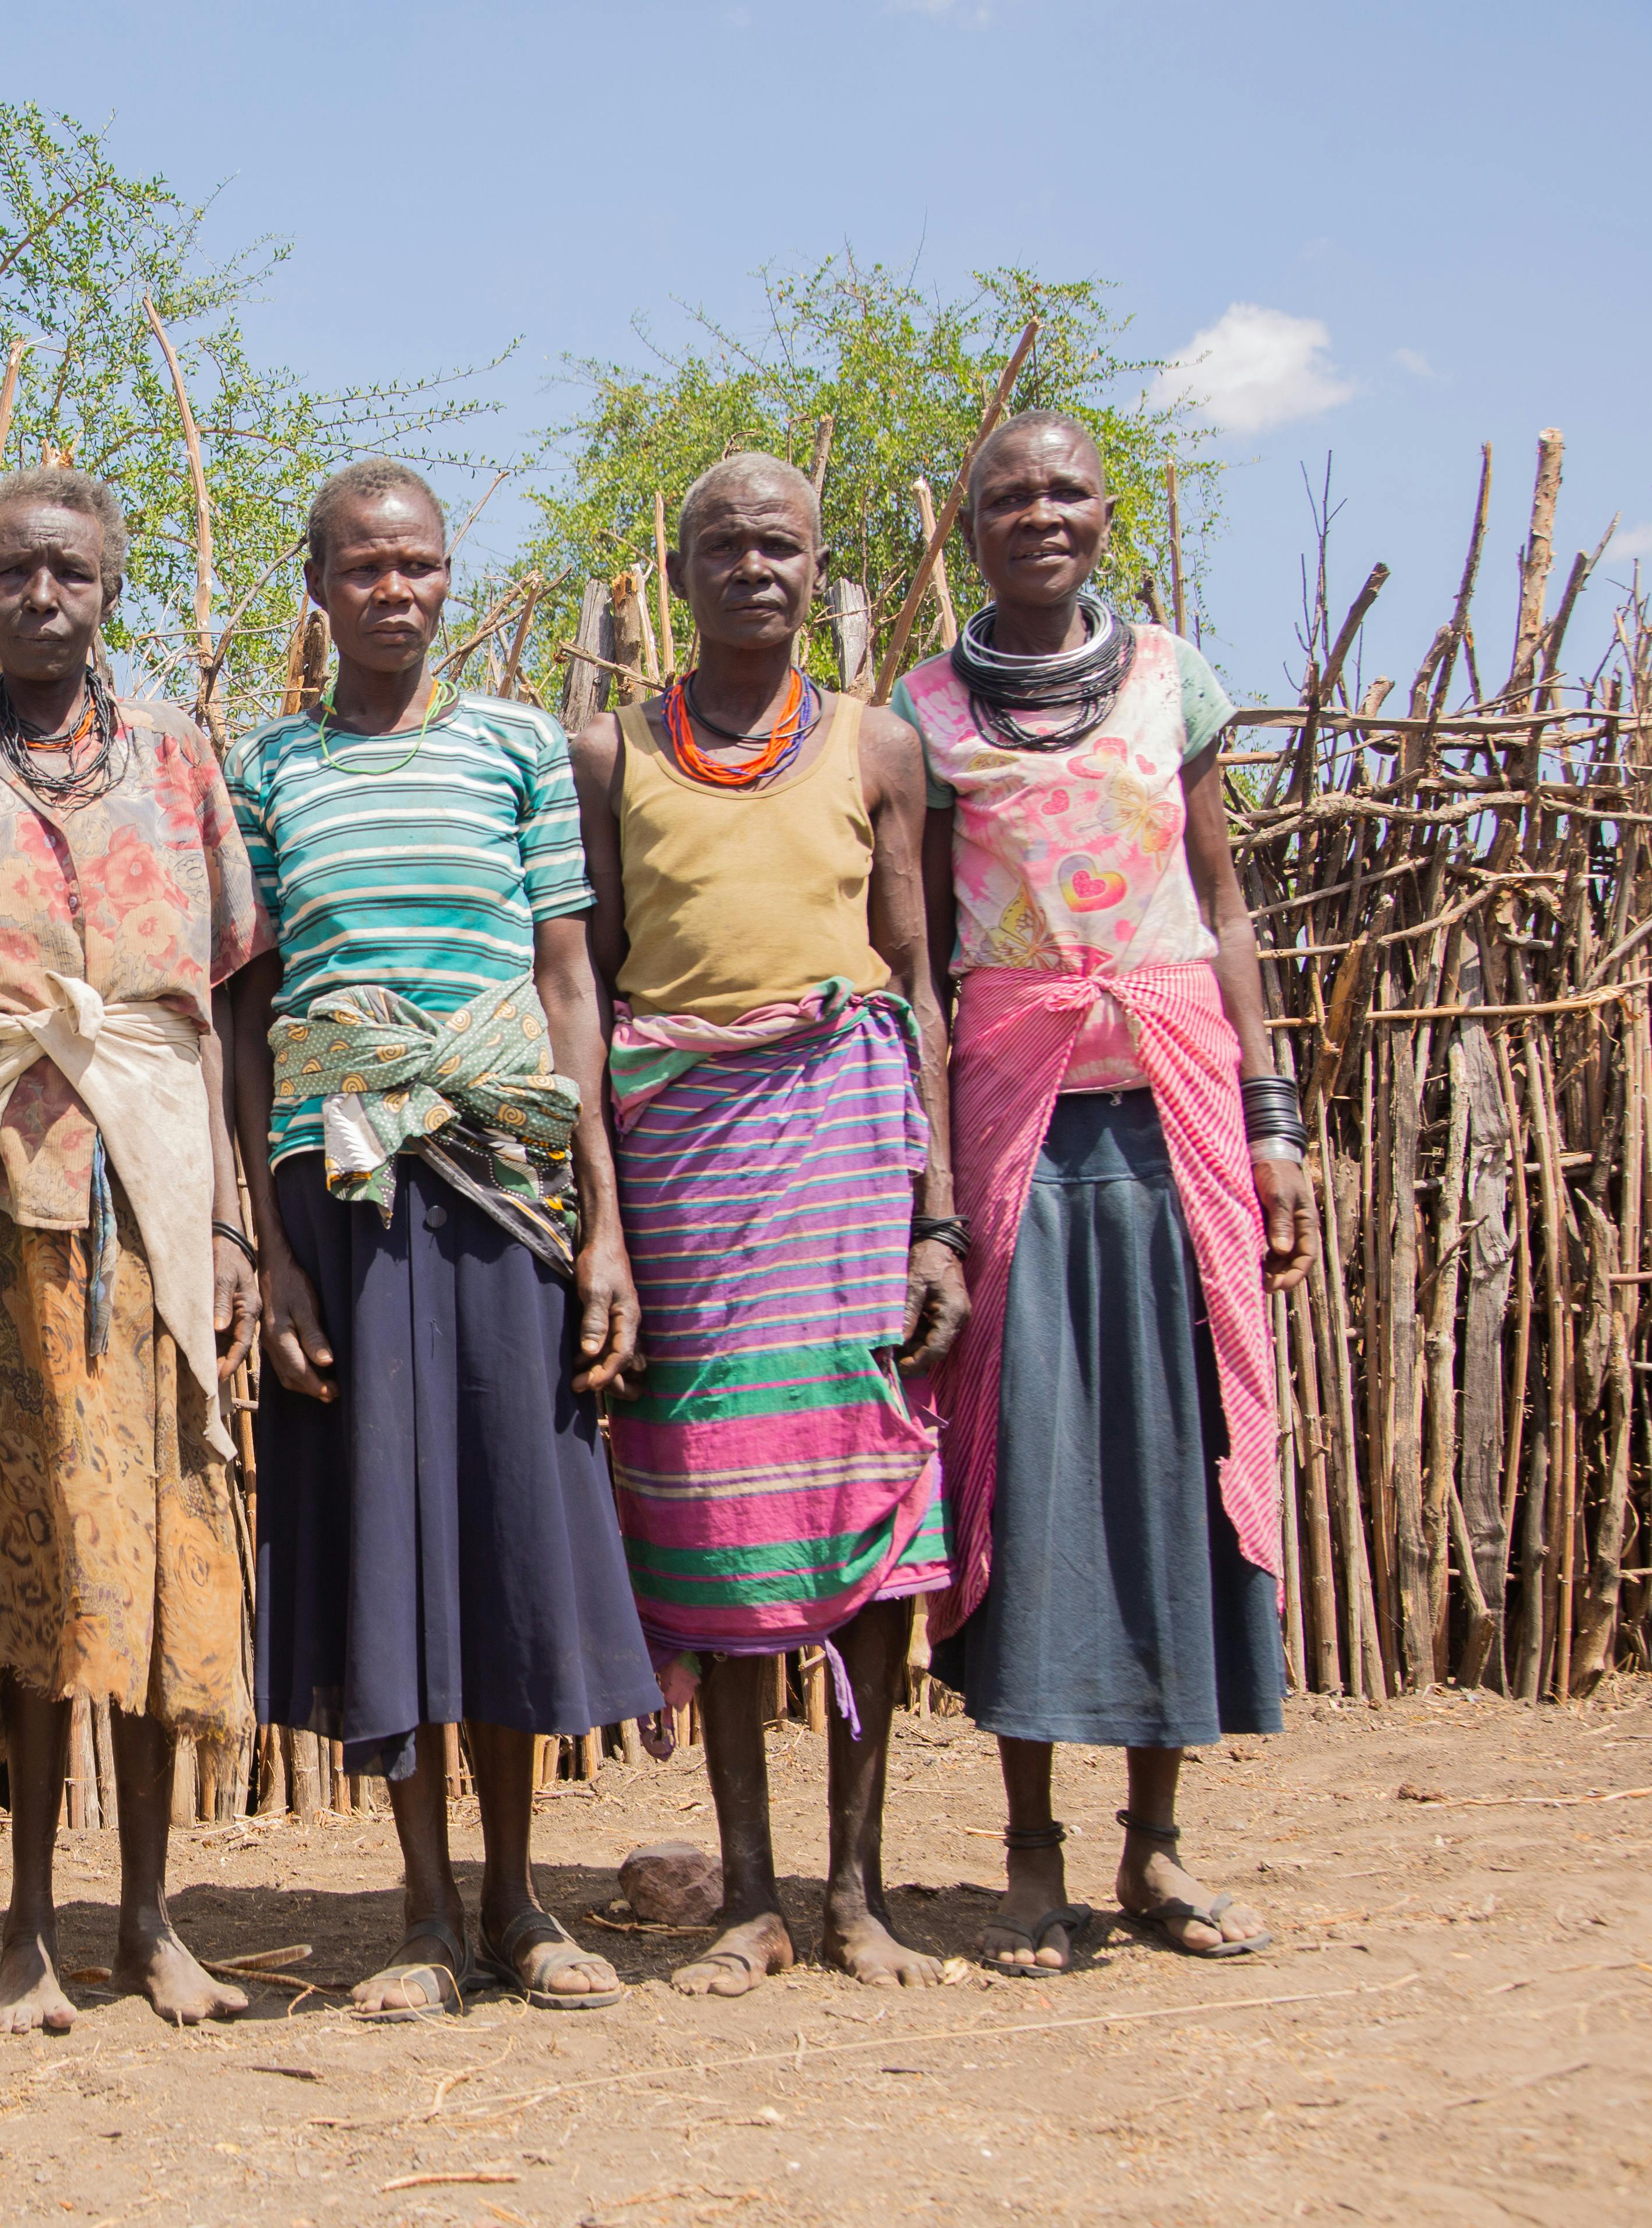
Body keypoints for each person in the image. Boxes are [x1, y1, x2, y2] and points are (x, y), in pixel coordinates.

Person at [225, 458, 662, 2020]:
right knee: (384, 1533)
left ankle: (520, 1903)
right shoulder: (267, 771)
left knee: (507, 1529)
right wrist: (269, 1253)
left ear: (445, 576)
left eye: (417, 564)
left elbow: (566, 986)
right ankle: (417, 1915)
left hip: (505, 1177)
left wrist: (598, 1223)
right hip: (340, 1191)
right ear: (319, 585)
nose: (394, 591)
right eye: (363, 568)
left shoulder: (518, 751)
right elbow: (251, 1011)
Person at [899, 409, 1315, 1974]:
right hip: (1015, 1123)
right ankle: (1028, 1852)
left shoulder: (1173, 683)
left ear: (1104, 510)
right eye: (1008, 495)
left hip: (1178, 1126)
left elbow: (1222, 899)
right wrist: (929, 1173)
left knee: (1172, 1463)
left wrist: (1272, 1120)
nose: (1040, 516)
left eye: (1065, 491)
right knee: (1020, 1470)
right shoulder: (924, 715)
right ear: (972, 519)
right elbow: (922, 954)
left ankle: (1158, 1846)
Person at [570, 454, 969, 1998]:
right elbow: (591, 992)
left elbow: (920, 975)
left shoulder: (878, 747)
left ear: (817, 571)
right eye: (721, 544)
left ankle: (857, 1891)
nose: (753, 566)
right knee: (712, 1508)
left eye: (780, 545)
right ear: (676, 578)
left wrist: (937, 1210)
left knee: (867, 1489)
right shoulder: (611, 755)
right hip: (680, 1161)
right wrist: (597, 1206)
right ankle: (748, 1893)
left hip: (851, 1147)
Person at [0, 466, 269, 2034]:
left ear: (112, 591)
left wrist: (236, 1222)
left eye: (73, 575)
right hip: (7, 1194)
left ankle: (153, 1921)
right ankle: (25, 1932)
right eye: (13, 576)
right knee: (34, 1569)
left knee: (173, 1560)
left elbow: (224, 1009)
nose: (44, 599)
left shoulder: (177, 757)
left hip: (164, 1194)